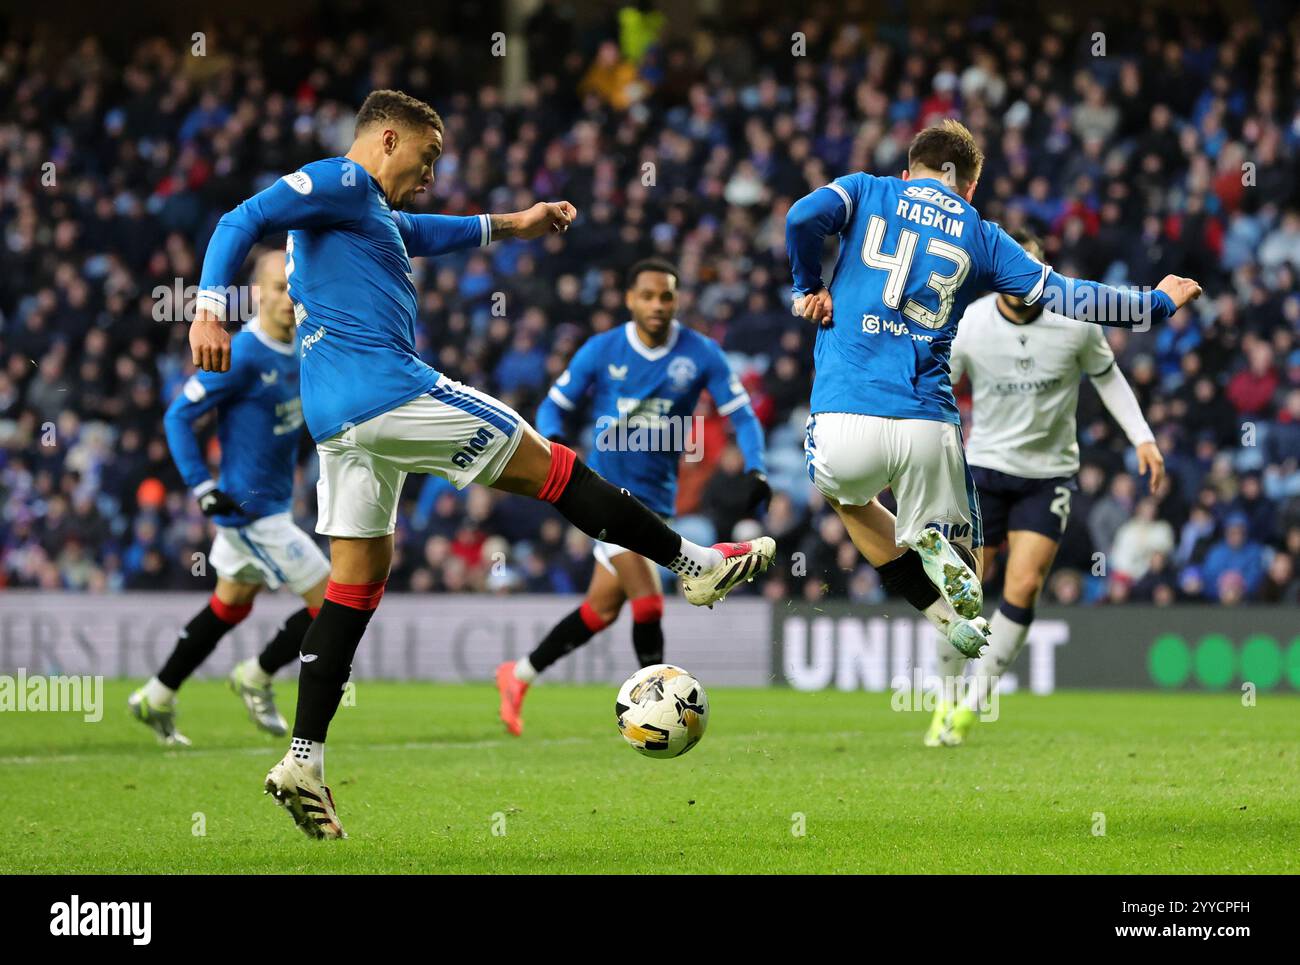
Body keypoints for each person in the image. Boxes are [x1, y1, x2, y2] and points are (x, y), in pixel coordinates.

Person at [189, 89, 775, 839]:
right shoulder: (340, 181)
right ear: (388, 139)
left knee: (355, 584)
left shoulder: (365, 215)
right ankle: (692, 561)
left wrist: (514, 224)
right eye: (427, 158)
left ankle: (303, 758)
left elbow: (422, 231)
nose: (431, 173)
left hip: (338, 423)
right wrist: (209, 306)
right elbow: (241, 218)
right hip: (389, 391)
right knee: (555, 467)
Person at [785, 119, 1200, 676]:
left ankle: (929, 597)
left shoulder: (866, 189)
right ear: (970, 187)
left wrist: (807, 285)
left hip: (845, 413)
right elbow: (1068, 297)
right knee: (959, 554)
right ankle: (934, 553)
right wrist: (1157, 304)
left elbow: (801, 218)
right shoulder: (981, 233)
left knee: (845, 498)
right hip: (925, 428)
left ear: (909, 173)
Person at [495, 257, 770, 735]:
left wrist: (756, 467)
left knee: (601, 609)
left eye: (666, 296)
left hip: (658, 502)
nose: (658, 305)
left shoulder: (700, 353)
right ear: (629, 300)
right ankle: (659, 712)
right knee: (648, 603)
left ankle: (518, 675)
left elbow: (742, 414)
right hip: (605, 498)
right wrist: (558, 447)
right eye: (648, 295)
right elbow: (553, 406)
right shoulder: (601, 350)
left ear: (677, 299)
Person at [929, 230, 1165, 746]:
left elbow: (1107, 376)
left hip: (1048, 474)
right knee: (963, 594)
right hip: (985, 471)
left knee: (1025, 585)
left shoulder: (1075, 322)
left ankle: (972, 704)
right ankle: (943, 698)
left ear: (1042, 269)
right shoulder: (971, 321)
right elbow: (942, 386)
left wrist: (1142, 438)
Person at [129, 250, 329, 744]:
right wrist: (202, 486)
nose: (289, 299)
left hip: (275, 505)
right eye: (279, 289)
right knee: (333, 602)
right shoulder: (241, 355)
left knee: (231, 605)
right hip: (250, 512)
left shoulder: (306, 348)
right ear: (258, 294)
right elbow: (177, 416)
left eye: (295, 288)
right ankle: (257, 676)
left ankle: (157, 695)